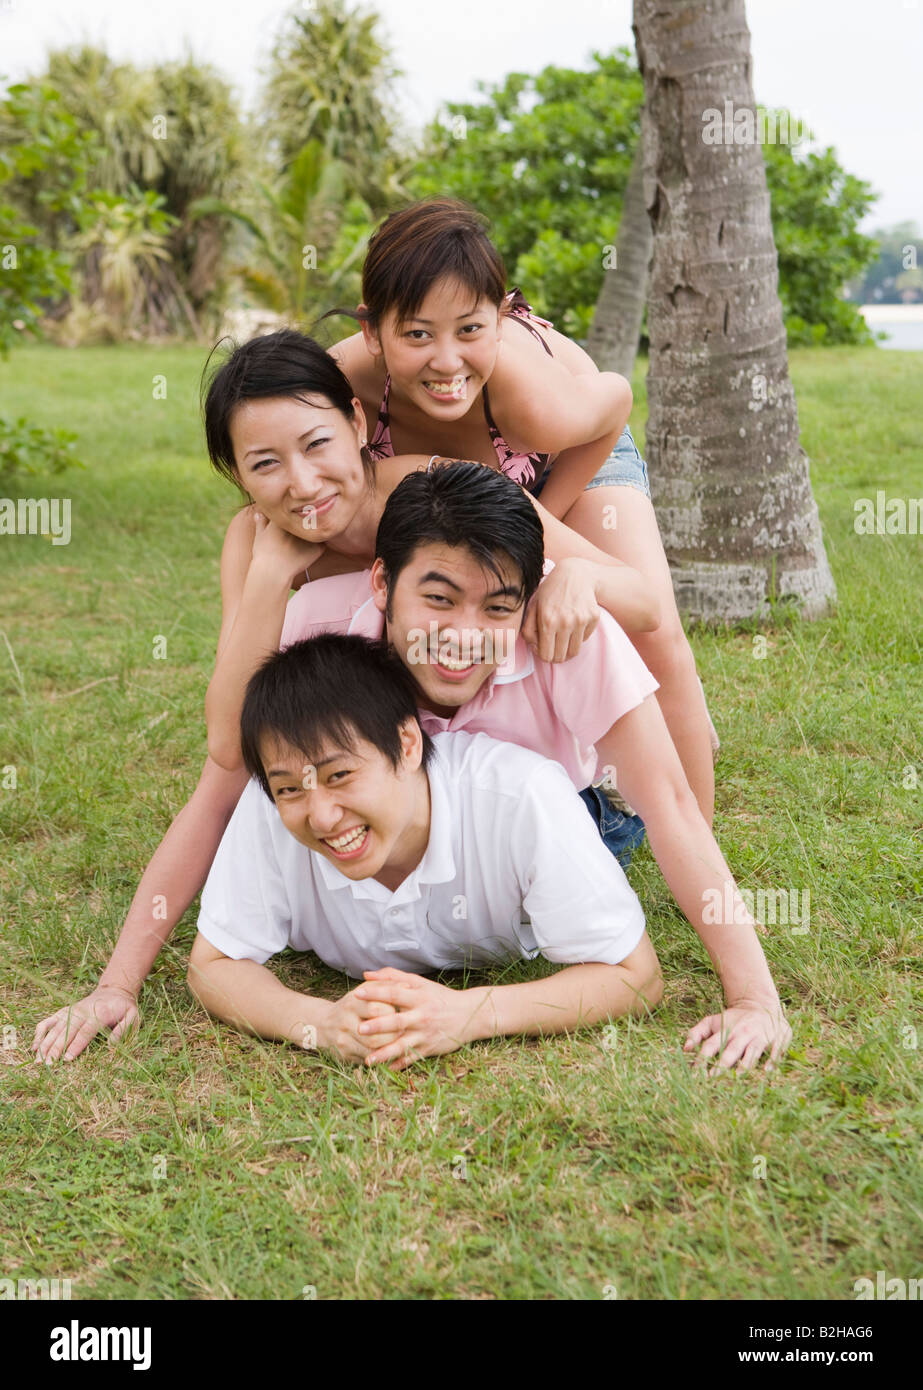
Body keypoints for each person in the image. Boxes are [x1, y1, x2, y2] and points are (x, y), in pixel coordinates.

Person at [31, 330, 656, 1064]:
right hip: (380, 774)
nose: (301, 484)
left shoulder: (432, 491)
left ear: (358, 426)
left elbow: (640, 601)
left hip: (515, 786)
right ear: (235, 474)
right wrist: (118, 984)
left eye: (316, 444)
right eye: (264, 464)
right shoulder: (263, 547)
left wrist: (571, 579)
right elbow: (231, 755)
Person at [276, 461, 792, 1072]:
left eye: (497, 610)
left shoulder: (567, 627)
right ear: (382, 584)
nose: (465, 637)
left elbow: (670, 805)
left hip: (564, 821)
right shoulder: (319, 626)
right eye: (439, 599)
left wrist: (755, 999)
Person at [325, 197, 719, 825]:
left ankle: (699, 830)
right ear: (373, 331)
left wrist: (531, 535)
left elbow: (615, 401)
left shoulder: (537, 401)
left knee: (651, 625)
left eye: (470, 330)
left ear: (501, 319)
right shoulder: (340, 388)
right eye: (417, 334)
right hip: (449, 488)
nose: (447, 361)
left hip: (566, 459)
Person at [187, 634, 664, 1067]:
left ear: (408, 743)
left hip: (583, 810)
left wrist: (469, 1015)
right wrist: (319, 1022)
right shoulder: (268, 804)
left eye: (340, 776)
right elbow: (212, 965)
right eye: (290, 789)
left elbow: (635, 975)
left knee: (607, 821)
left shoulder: (524, 797)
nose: (322, 816)